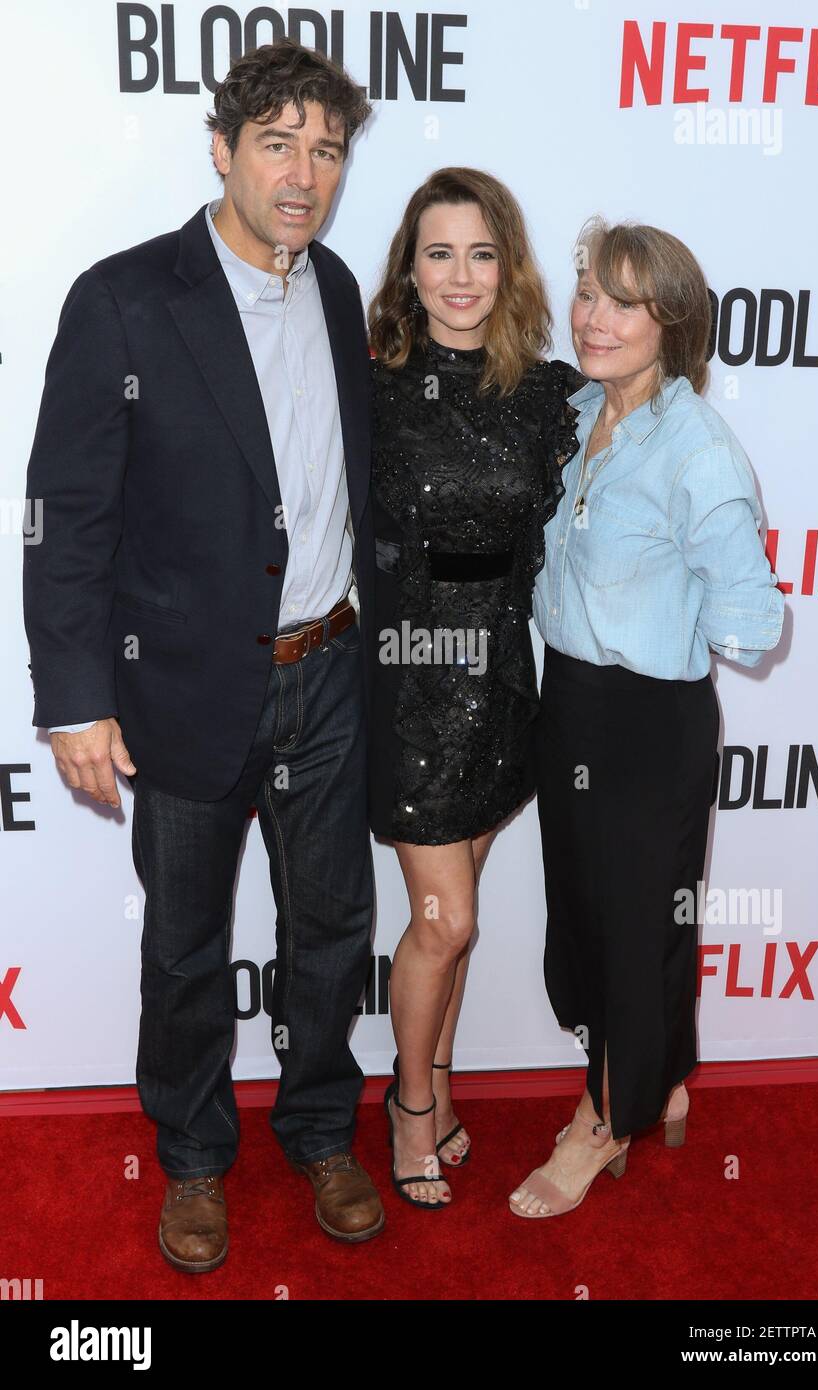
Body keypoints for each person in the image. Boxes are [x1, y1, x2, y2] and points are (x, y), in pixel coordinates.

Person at [22, 38, 385, 1267]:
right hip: (179, 681)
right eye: (275, 142)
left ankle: (324, 1129)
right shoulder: (123, 299)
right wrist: (73, 697)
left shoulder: (335, 289)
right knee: (185, 944)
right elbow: (69, 517)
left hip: (328, 673)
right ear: (221, 149)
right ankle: (188, 1157)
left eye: (325, 149)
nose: (302, 172)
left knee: (331, 926)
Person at [510, 216, 785, 1218]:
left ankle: (600, 1121)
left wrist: (655, 631)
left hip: (646, 720)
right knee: (594, 920)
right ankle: (661, 1077)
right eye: (586, 291)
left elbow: (751, 625)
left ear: (669, 321)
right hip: (569, 702)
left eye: (621, 300)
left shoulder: (698, 451)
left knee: (628, 925)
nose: (591, 316)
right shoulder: (578, 408)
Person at [367, 168, 581, 1208]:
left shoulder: (544, 394)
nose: (460, 276)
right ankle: (408, 1104)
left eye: (480, 253)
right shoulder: (366, 390)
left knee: (463, 913)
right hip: (407, 686)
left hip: (499, 683)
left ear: (509, 268)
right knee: (443, 921)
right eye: (438, 253)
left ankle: (441, 1088)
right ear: (409, 271)